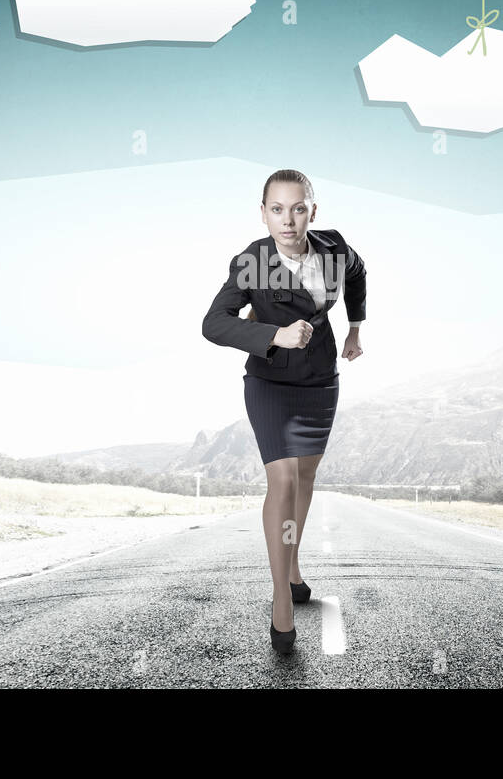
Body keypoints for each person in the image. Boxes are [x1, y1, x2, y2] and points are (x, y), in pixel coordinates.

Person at [201, 169, 366, 653]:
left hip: (319, 379)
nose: (288, 220)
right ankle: (280, 595)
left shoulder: (335, 249)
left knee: (308, 477)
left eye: (298, 209)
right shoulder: (253, 261)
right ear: (263, 212)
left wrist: (356, 327)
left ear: (312, 211)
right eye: (277, 209)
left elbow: (358, 274)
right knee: (285, 480)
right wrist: (273, 334)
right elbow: (213, 324)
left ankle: (292, 565)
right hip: (271, 380)